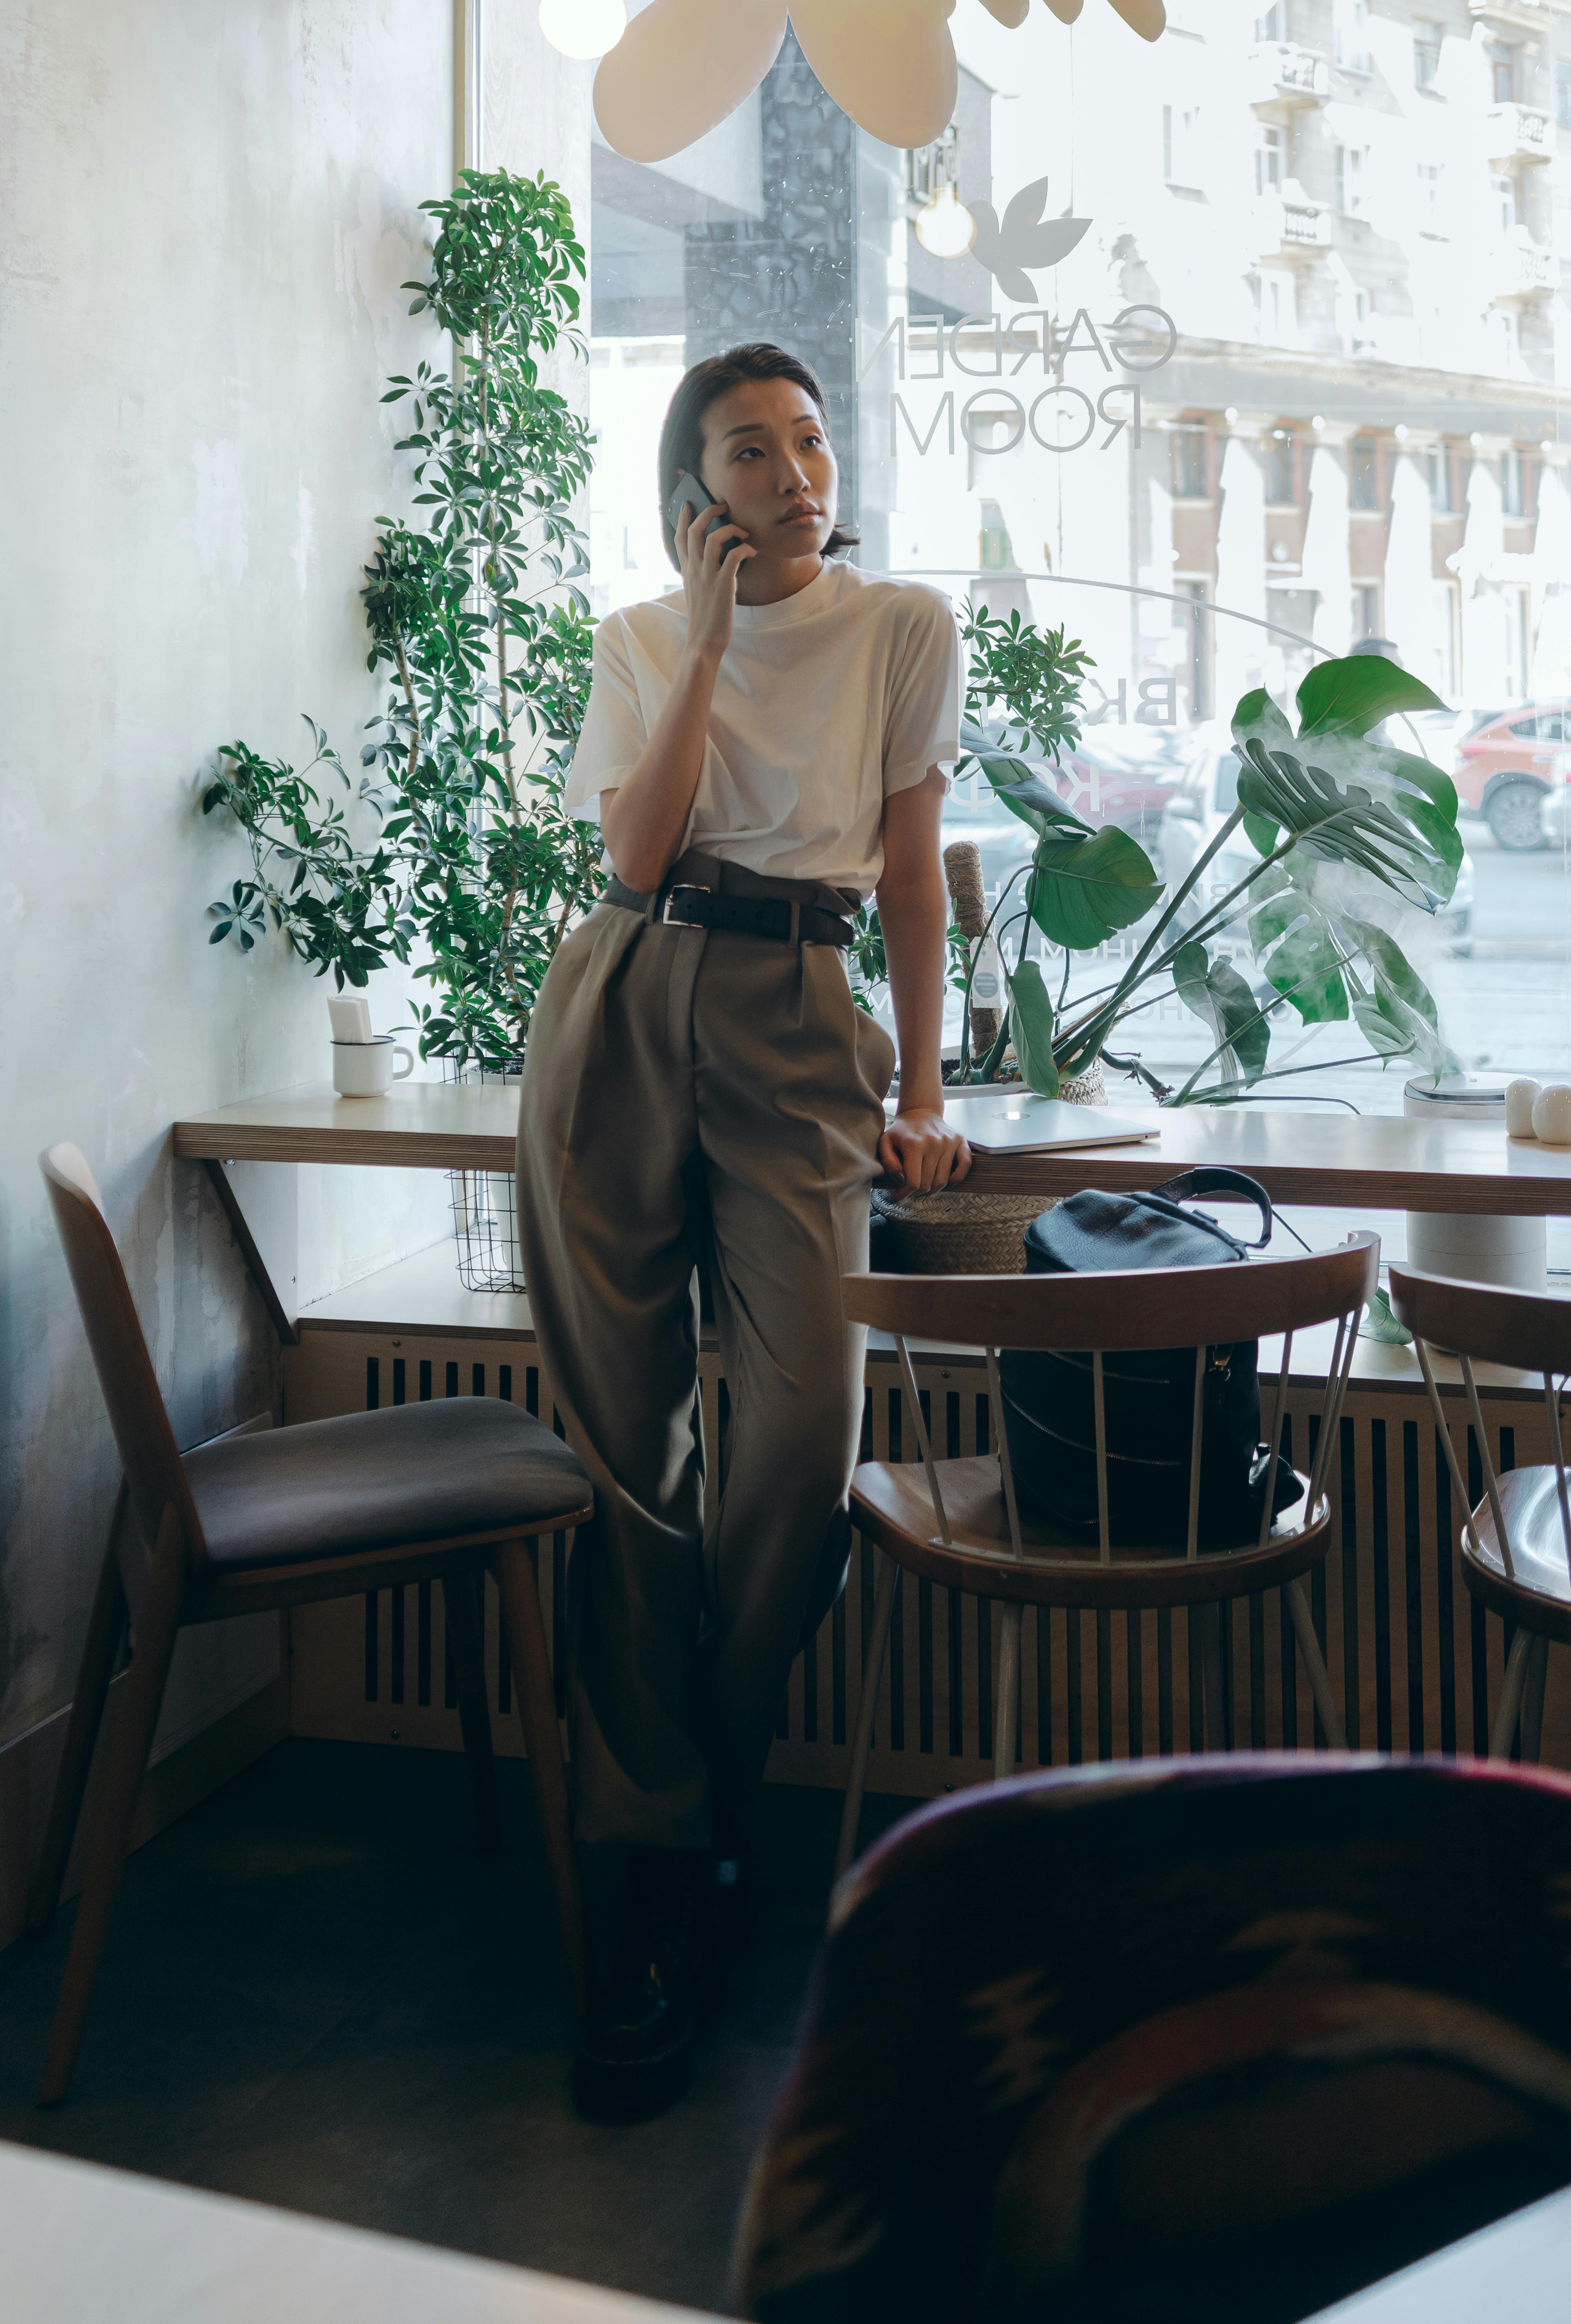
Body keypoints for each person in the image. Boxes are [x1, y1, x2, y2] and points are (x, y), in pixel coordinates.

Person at [516, 340, 971, 2115]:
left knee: (795, 1442)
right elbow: (631, 859)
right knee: (627, 1449)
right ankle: (661, 1875)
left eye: (807, 441)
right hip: (623, 1003)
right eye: (748, 451)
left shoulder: (903, 626)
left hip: (800, 1020)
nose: (792, 471)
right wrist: (702, 639)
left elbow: (914, 863)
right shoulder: (641, 640)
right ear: (692, 487)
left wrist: (922, 1094)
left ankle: (686, 1796)